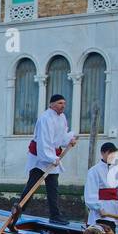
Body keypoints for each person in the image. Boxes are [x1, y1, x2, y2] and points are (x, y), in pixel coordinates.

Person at [26, 94, 78, 224]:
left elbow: (61, 136)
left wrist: (68, 140)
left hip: (53, 157)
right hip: (40, 158)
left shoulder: (62, 118)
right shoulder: (45, 118)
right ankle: (18, 211)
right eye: (60, 103)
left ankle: (55, 216)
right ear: (52, 104)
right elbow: (44, 141)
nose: (63, 106)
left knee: (53, 188)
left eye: (64, 103)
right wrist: (50, 158)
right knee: (31, 187)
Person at [83, 141, 118, 227]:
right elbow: (90, 193)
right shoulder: (94, 171)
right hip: (100, 213)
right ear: (102, 153)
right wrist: (99, 208)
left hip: (113, 211)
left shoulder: (117, 170)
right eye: (109, 153)